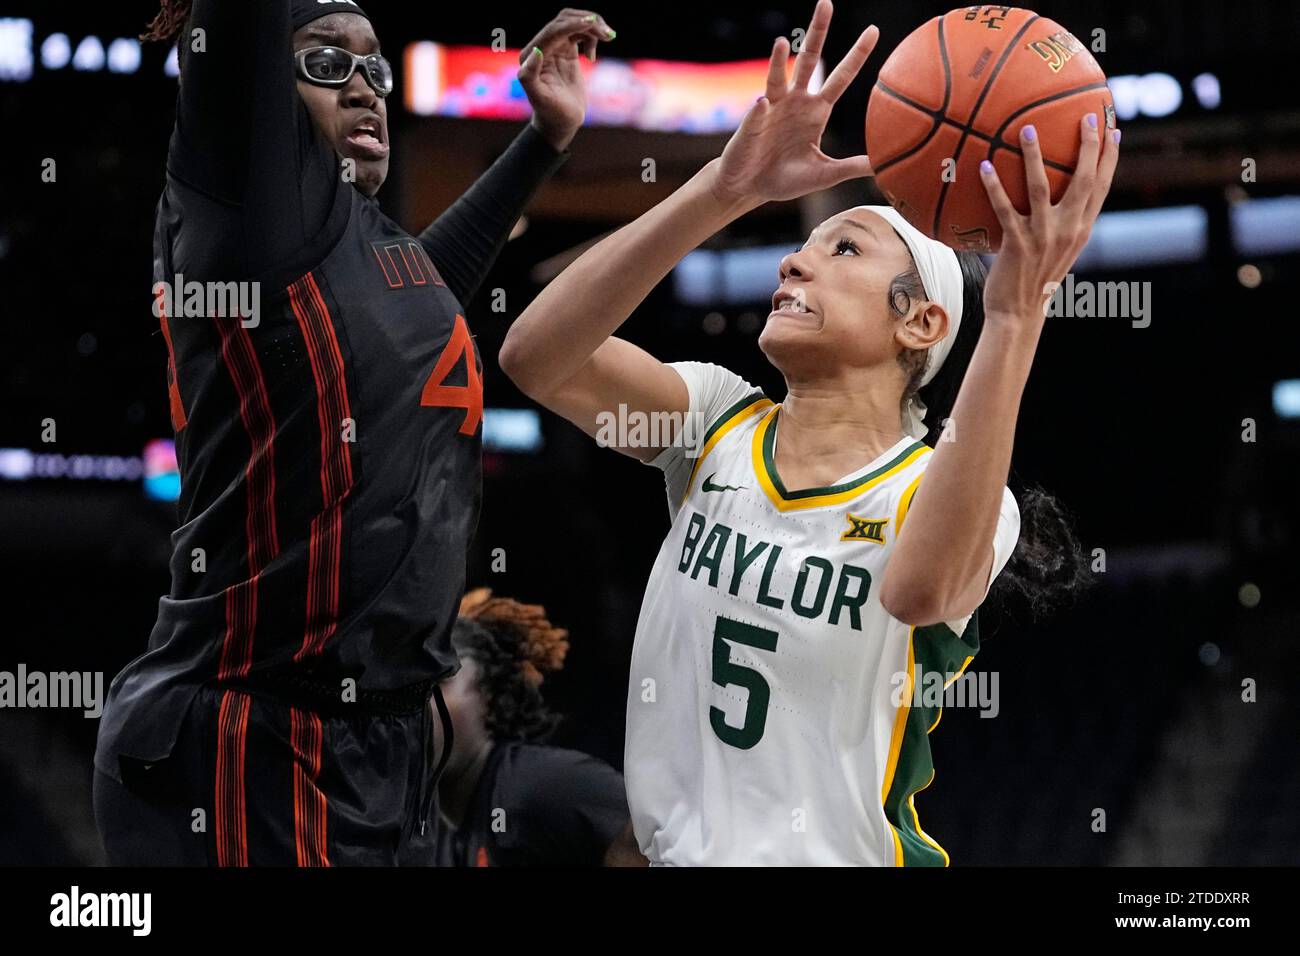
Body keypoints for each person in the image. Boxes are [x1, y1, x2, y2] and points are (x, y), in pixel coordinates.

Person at [499, 0, 1115, 864]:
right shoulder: (717, 420)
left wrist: (1015, 313)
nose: (796, 260)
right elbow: (537, 357)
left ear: (921, 324)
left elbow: (922, 594)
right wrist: (725, 188)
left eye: (846, 250)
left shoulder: (947, 490)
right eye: (805, 247)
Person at [93, 0, 616, 866]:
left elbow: (427, 301)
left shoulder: (356, 251)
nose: (366, 87)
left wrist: (543, 141)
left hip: (378, 742)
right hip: (252, 732)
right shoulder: (245, 209)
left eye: (374, 67)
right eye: (326, 62)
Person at [401, 589, 645, 866]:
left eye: (439, 684)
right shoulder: (434, 829)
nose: (416, 705)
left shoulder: (541, 785)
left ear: (490, 698)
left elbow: (659, 837)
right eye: (407, 689)